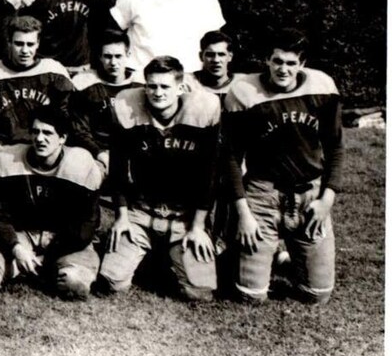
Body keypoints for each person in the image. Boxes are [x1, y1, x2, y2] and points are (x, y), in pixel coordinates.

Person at [222, 31, 342, 305]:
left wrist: (327, 199)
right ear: (267, 60)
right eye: (277, 61)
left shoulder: (322, 87)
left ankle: (285, 253)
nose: (283, 69)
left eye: (290, 62)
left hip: (309, 194)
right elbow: (230, 157)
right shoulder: (244, 93)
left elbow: (336, 147)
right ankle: (260, 250)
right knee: (250, 296)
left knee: (317, 295)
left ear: (302, 63)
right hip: (263, 194)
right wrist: (243, 213)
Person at [97, 56, 221, 301]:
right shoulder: (127, 108)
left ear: (180, 87)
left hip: (183, 215)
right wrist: (121, 217)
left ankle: (163, 258)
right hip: (141, 210)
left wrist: (198, 226)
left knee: (200, 292)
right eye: (152, 86)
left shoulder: (203, 109)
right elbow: (119, 169)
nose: (157, 92)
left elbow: (209, 175)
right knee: (112, 282)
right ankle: (149, 254)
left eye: (165, 87)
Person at [0, 104, 103, 299]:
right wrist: (16, 248)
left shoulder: (81, 163)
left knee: (74, 284)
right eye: (35, 132)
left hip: (65, 237)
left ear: (62, 138)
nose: (39, 139)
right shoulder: (9, 160)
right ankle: (23, 266)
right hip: (24, 234)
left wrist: (48, 256)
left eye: (47, 133)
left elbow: (86, 225)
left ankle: (42, 268)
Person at [0, 15, 75, 158]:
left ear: (38, 43)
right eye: (19, 44)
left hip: (46, 151)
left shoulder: (54, 72)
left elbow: (65, 123)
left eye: (30, 44)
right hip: (4, 151)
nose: (25, 51)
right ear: (9, 42)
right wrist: (4, 155)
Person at [67, 29, 144, 169]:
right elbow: (79, 130)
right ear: (100, 57)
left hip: (135, 152)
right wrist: (99, 153)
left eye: (118, 56)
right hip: (96, 153)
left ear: (128, 55)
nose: (113, 62)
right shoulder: (85, 83)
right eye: (108, 56)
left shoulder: (141, 84)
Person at [192, 31, 238, 95]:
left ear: (230, 57)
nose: (216, 60)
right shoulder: (188, 83)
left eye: (221, 54)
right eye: (210, 54)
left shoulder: (239, 86)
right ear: (201, 56)